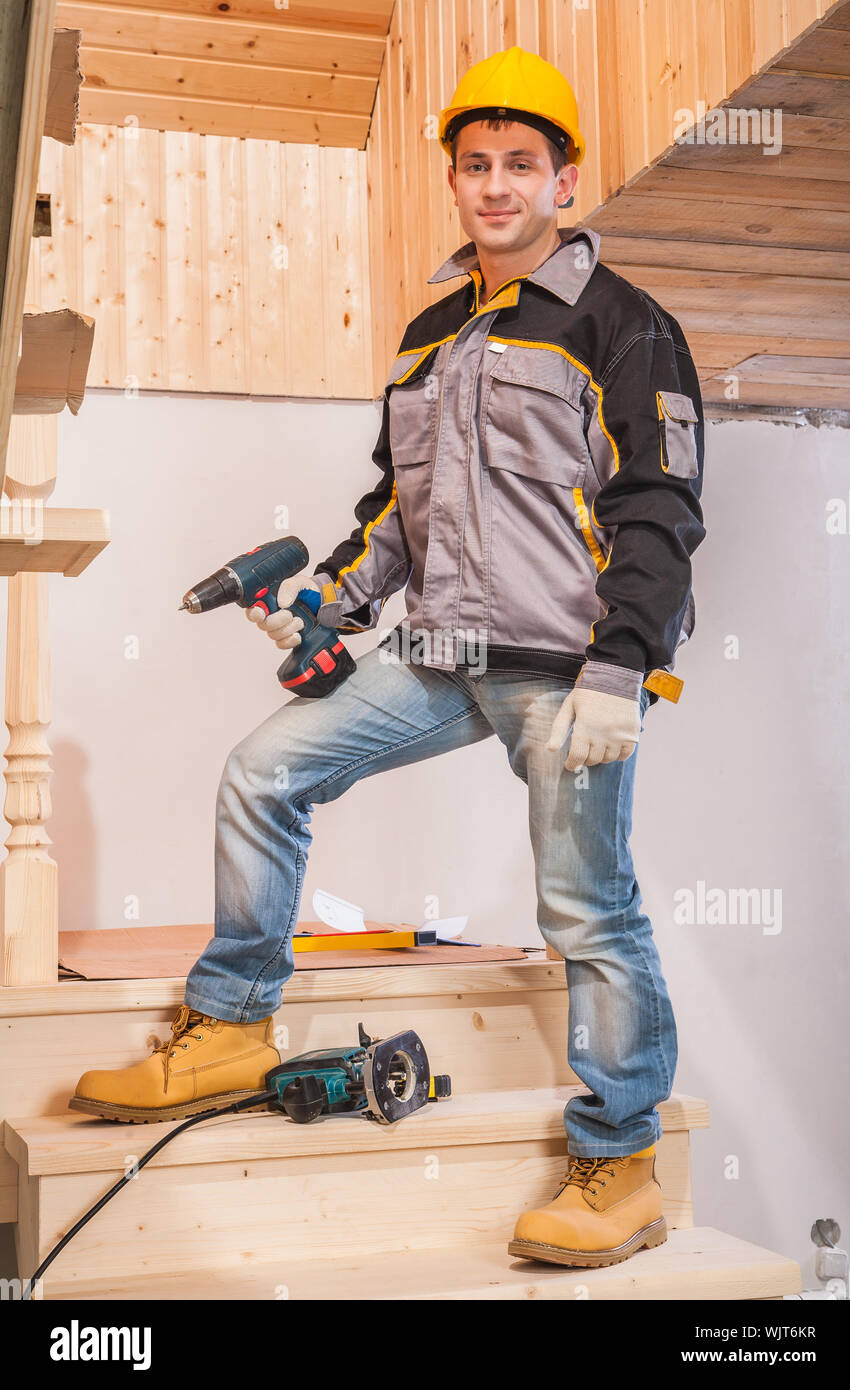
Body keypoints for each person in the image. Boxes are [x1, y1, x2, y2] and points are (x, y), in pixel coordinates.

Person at [72, 47, 705, 1269]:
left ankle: (617, 1156)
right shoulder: (430, 333)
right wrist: (331, 594)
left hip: (563, 673)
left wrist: (623, 667)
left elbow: (658, 509)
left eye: (521, 164)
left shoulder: (623, 327)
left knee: (586, 904)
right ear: (456, 181)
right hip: (437, 652)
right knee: (264, 771)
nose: (495, 186)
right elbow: (396, 510)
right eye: (475, 166)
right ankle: (229, 1020)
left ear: (563, 181)